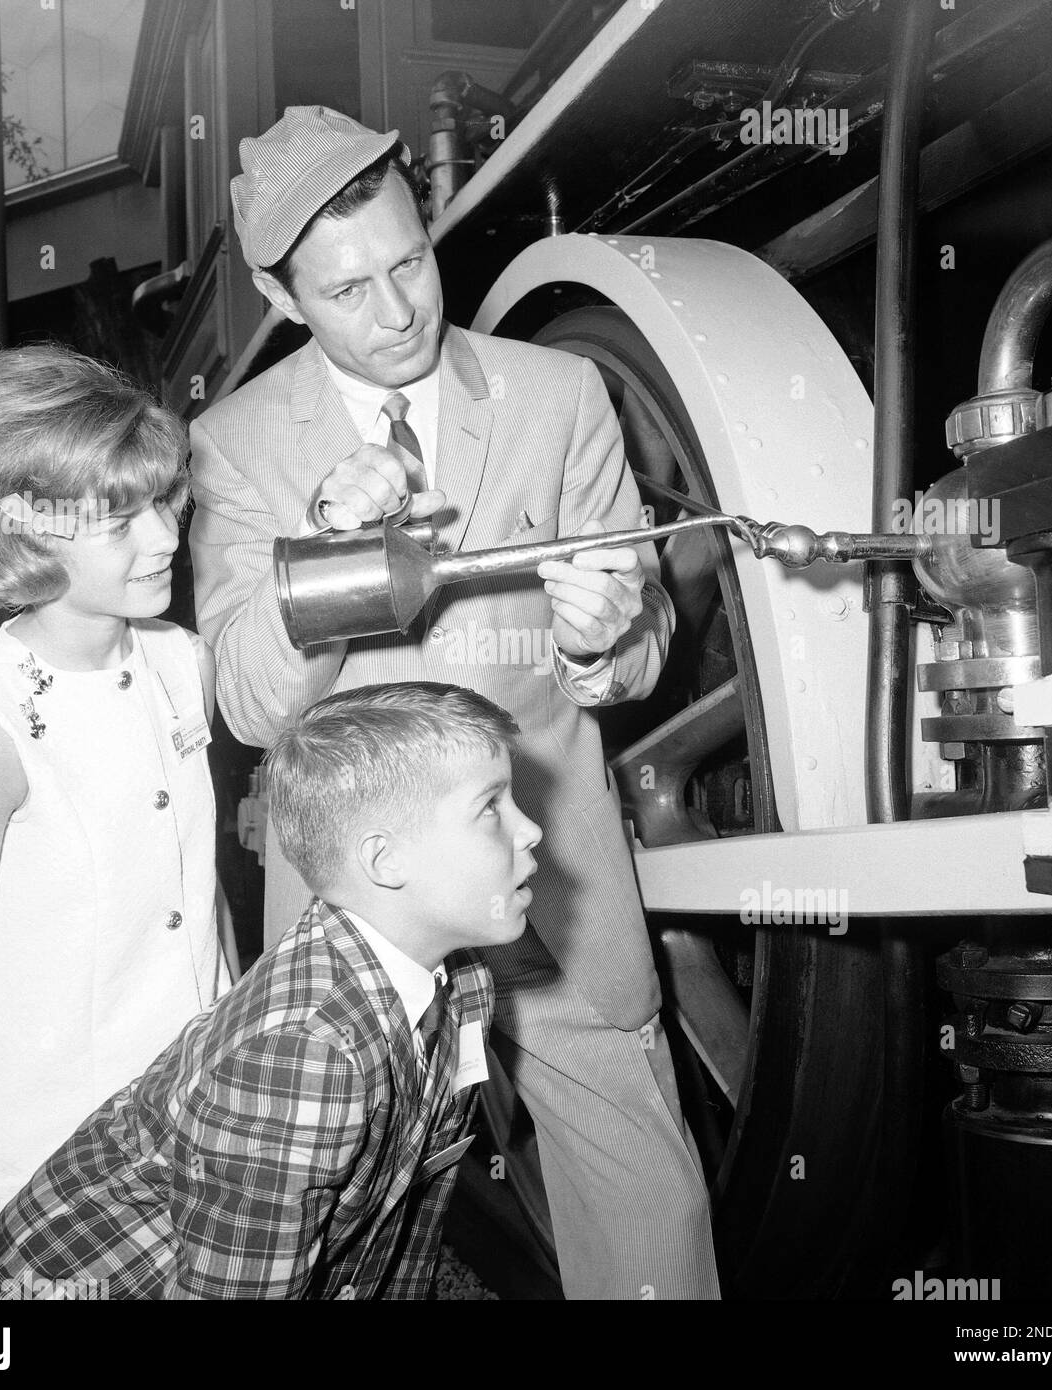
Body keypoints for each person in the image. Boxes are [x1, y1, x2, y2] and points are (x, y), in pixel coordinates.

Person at [189, 106, 718, 1299]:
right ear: (282, 299)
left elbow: (643, 650)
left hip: (555, 883)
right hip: (357, 927)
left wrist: (611, 638)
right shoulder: (231, 450)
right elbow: (247, 707)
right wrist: (328, 555)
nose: (397, 313)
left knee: (651, 1218)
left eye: (410, 262)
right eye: (346, 291)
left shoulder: (560, 394)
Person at [0, 682, 532, 1300]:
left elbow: (406, 1219)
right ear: (385, 861)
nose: (532, 831)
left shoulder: (463, 987)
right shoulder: (304, 1058)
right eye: (492, 807)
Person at [0, 345, 236, 1299]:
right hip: (36, 1202)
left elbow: (197, 911)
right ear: (22, 525)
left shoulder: (183, 662)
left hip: (185, 1168)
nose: (166, 537)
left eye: (166, 501)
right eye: (121, 518)